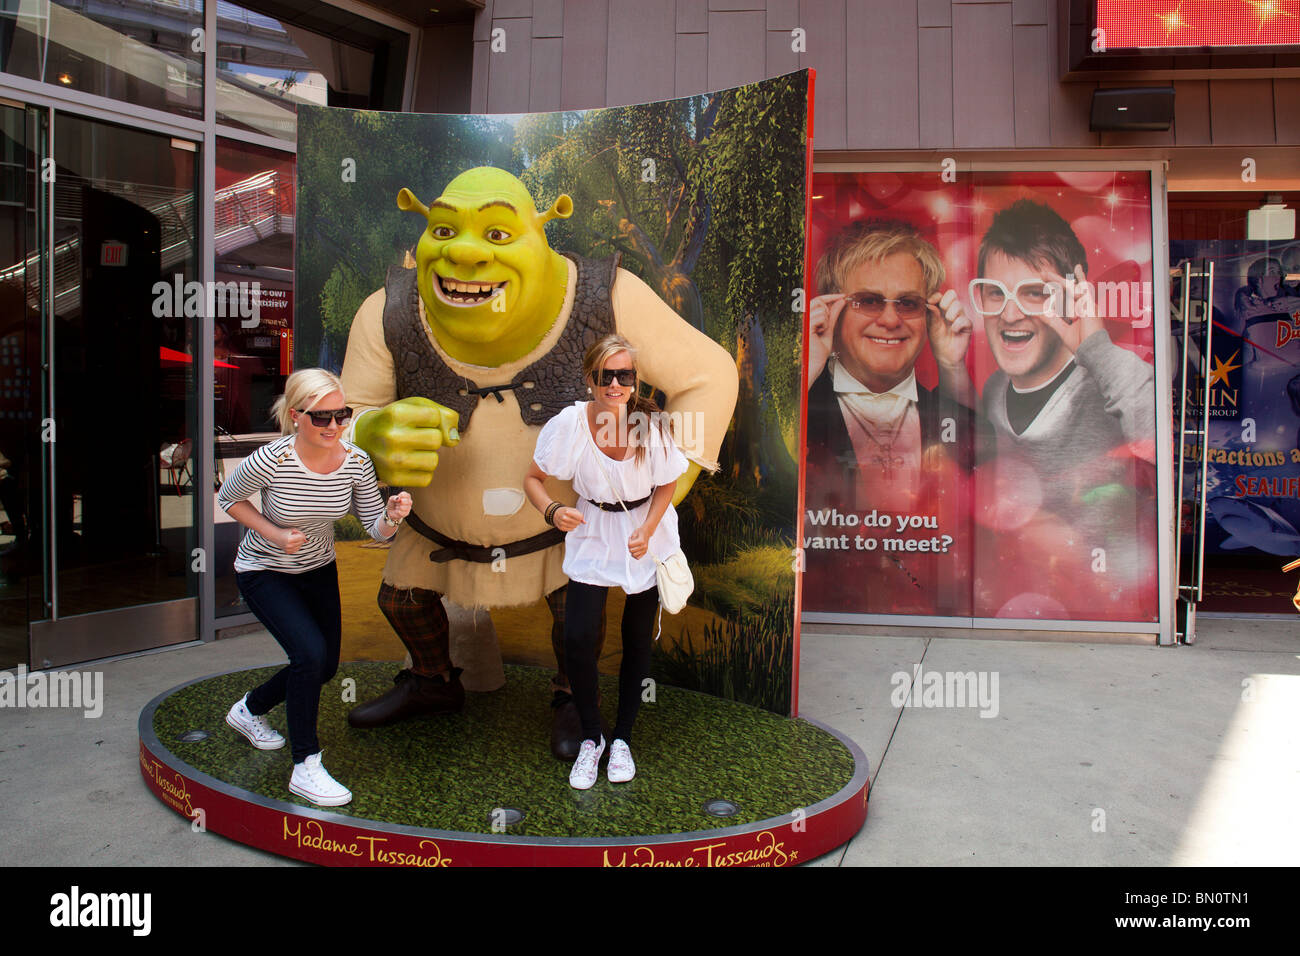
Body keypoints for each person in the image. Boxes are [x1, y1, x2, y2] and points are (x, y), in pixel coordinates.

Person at [338, 168, 737, 763]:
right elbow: (346, 413)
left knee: (572, 615)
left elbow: (709, 376)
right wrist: (368, 431)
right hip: (433, 534)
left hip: (558, 533)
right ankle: (431, 682)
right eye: (444, 228)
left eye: (497, 234)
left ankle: (573, 697)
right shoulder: (388, 311)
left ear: (542, 232)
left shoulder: (606, 298)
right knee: (400, 601)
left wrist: (659, 497)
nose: (464, 252)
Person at [217, 368, 412, 807]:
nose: (333, 426)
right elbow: (229, 497)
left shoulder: (357, 462)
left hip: (318, 569)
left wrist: (394, 514)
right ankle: (306, 765)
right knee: (307, 656)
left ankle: (249, 710)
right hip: (264, 570)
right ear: (295, 415)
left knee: (323, 667)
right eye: (320, 417)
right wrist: (273, 533)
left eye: (340, 415)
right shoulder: (272, 459)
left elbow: (375, 530)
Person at [970, 198, 1156, 617]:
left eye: (1034, 294)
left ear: (1073, 297)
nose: (1011, 313)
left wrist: (1096, 350)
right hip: (1011, 604)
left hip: (1100, 610)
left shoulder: (1113, 381)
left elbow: (1158, 445)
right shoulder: (994, 388)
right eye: (995, 293)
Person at [523, 335, 687, 789]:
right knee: (577, 637)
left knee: (636, 639)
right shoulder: (570, 423)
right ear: (590, 377)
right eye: (605, 375)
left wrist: (649, 529)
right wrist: (553, 511)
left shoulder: (649, 425)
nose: (615, 384)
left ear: (635, 379)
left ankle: (623, 740)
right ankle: (592, 737)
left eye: (624, 375)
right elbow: (533, 479)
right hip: (594, 527)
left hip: (641, 531)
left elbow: (667, 484)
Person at [803, 219, 976, 616]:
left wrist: (952, 367)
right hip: (825, 618)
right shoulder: (802, 409)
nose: (891, 319)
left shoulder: (953, 419)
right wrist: (803, 376)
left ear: (929, 315)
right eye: (868, 300)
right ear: (831, 311)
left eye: (908, 302)